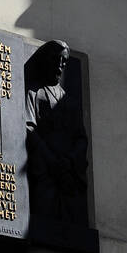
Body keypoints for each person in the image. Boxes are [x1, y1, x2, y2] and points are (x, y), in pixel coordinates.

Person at [24, 40, 89, 224]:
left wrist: (68, 161)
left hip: (68, 172)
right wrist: (51, 160)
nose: (60, 66)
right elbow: (30, 128)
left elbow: (80, 138)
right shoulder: (35, 93)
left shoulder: (70, 101)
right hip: (46, 168)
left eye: (64, 62)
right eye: (57, 60)